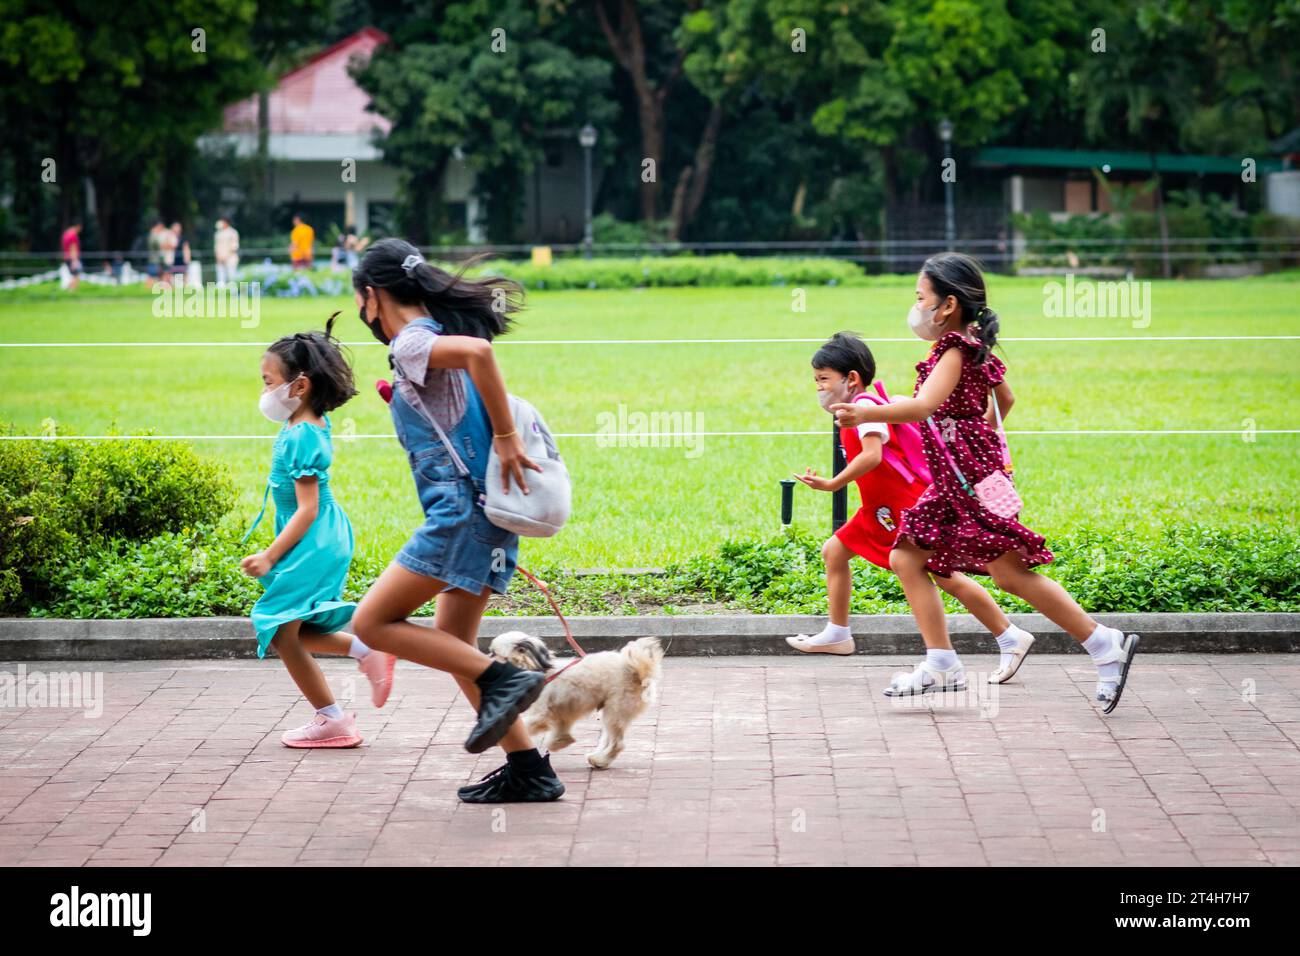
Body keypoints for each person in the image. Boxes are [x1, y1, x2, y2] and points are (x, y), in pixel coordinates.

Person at [831, 252, 1140, 712]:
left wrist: (868, 413)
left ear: (948, 304)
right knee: (907, 556)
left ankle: (1103, 644)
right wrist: (975, 436)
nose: (916, 308)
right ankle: (941, 661)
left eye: (921, 298)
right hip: (964, 476)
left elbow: (921, 408)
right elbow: (1005, 398)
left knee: (1010, 573)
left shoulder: (955, 350)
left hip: (970, 482)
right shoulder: (972, 345)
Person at [348, 238, 562, 803]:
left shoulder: (414, 341)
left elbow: (482, 356)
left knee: (371, 624)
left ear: (372, 297)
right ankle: (529, 770)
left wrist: (507, 437)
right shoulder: (435, 336)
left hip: (459, 517)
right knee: (452, 643)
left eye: (360, 302)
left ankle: (506, 679)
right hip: (489, 516)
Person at [788, 332, 1034, 682]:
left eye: (823, 379)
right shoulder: (859, 410)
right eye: (816, 380)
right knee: (835, 552)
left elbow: (872, 456)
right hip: (878, 509)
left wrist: (833, 483)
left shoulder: (868, 409)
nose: (818, 387)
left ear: (851, 379)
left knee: (944, 575)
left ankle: (1009, 636)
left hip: (901, 508)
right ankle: (838, 633)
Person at [239, 314, 396, 747]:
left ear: (300, 386)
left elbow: (306, 509)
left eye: (269, 382)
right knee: (288, 630)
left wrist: (270, 555)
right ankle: (366, 651)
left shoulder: (302, 435)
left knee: (277, 627)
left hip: (312, 538)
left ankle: (334, 719)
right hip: (316, 537)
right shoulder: (304, 424)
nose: (265, 391)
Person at [214, 218, 240, 287]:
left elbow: (234, 247)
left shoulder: (233, 232)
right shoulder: (218, 233)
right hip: (220, 259)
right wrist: (218, 257)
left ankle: (233, 292)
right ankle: (221, 293)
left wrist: (226, 257)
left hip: (231, 259)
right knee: (220, 278)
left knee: (232, 277)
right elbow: (216, 247)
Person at [60, 222, 82, 291]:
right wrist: (74, 261)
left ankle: (69, 290)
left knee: (72, 275)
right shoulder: (73, 235)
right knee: (76, 275)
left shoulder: (65, 234)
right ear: (78, 226)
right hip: (71, 258)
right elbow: (73, 248)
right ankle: (71, 291)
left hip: (66, 257)